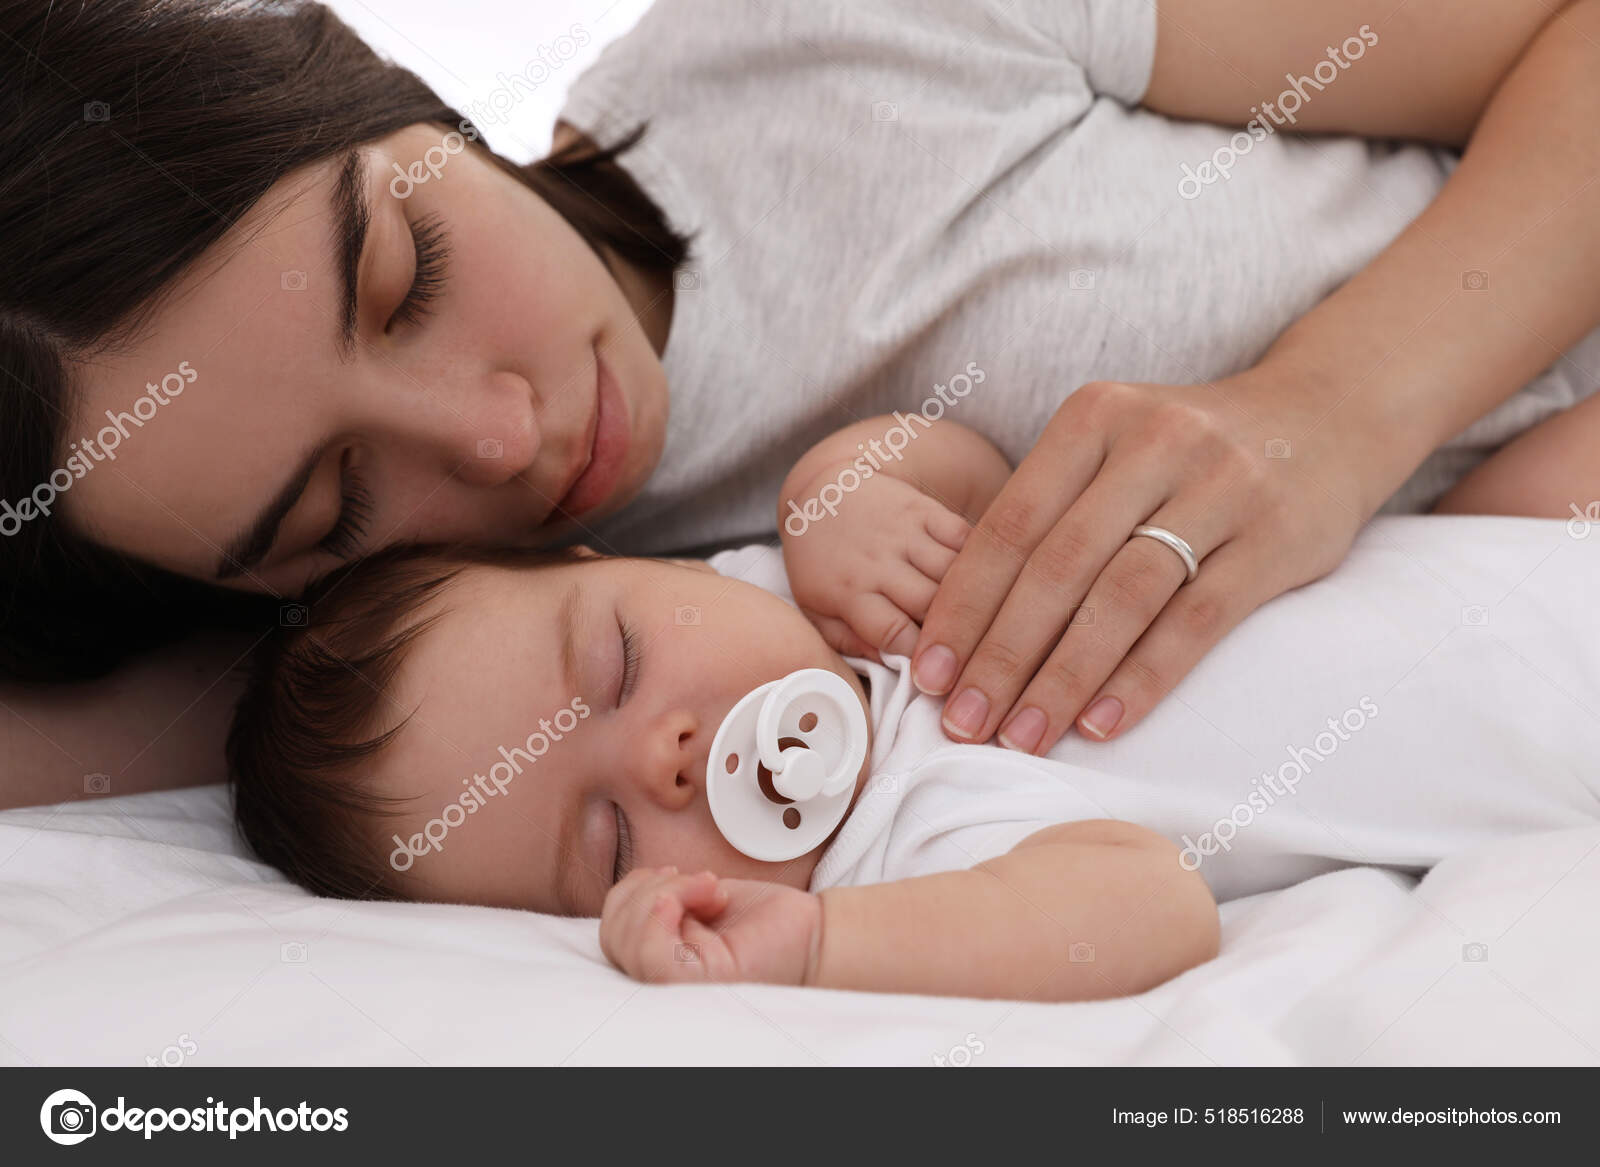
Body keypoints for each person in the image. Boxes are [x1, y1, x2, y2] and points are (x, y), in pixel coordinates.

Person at [6, 0, 1600, 809]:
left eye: (408, 273)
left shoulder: (818, 40)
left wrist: (1330, 412)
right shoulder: (480, 703)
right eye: (330, 504)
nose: (500, 439)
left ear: (384, 87)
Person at [224, 414, 1600, 996]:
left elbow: (974, 461)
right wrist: (820, 944)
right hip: (1556, 723)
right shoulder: (899, 855)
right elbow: (1148, 912)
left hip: (1481, 535)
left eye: (620, 666)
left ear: (628, 558)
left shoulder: (801, 586)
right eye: (605, 849)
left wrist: (837, 487)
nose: (663, 756)